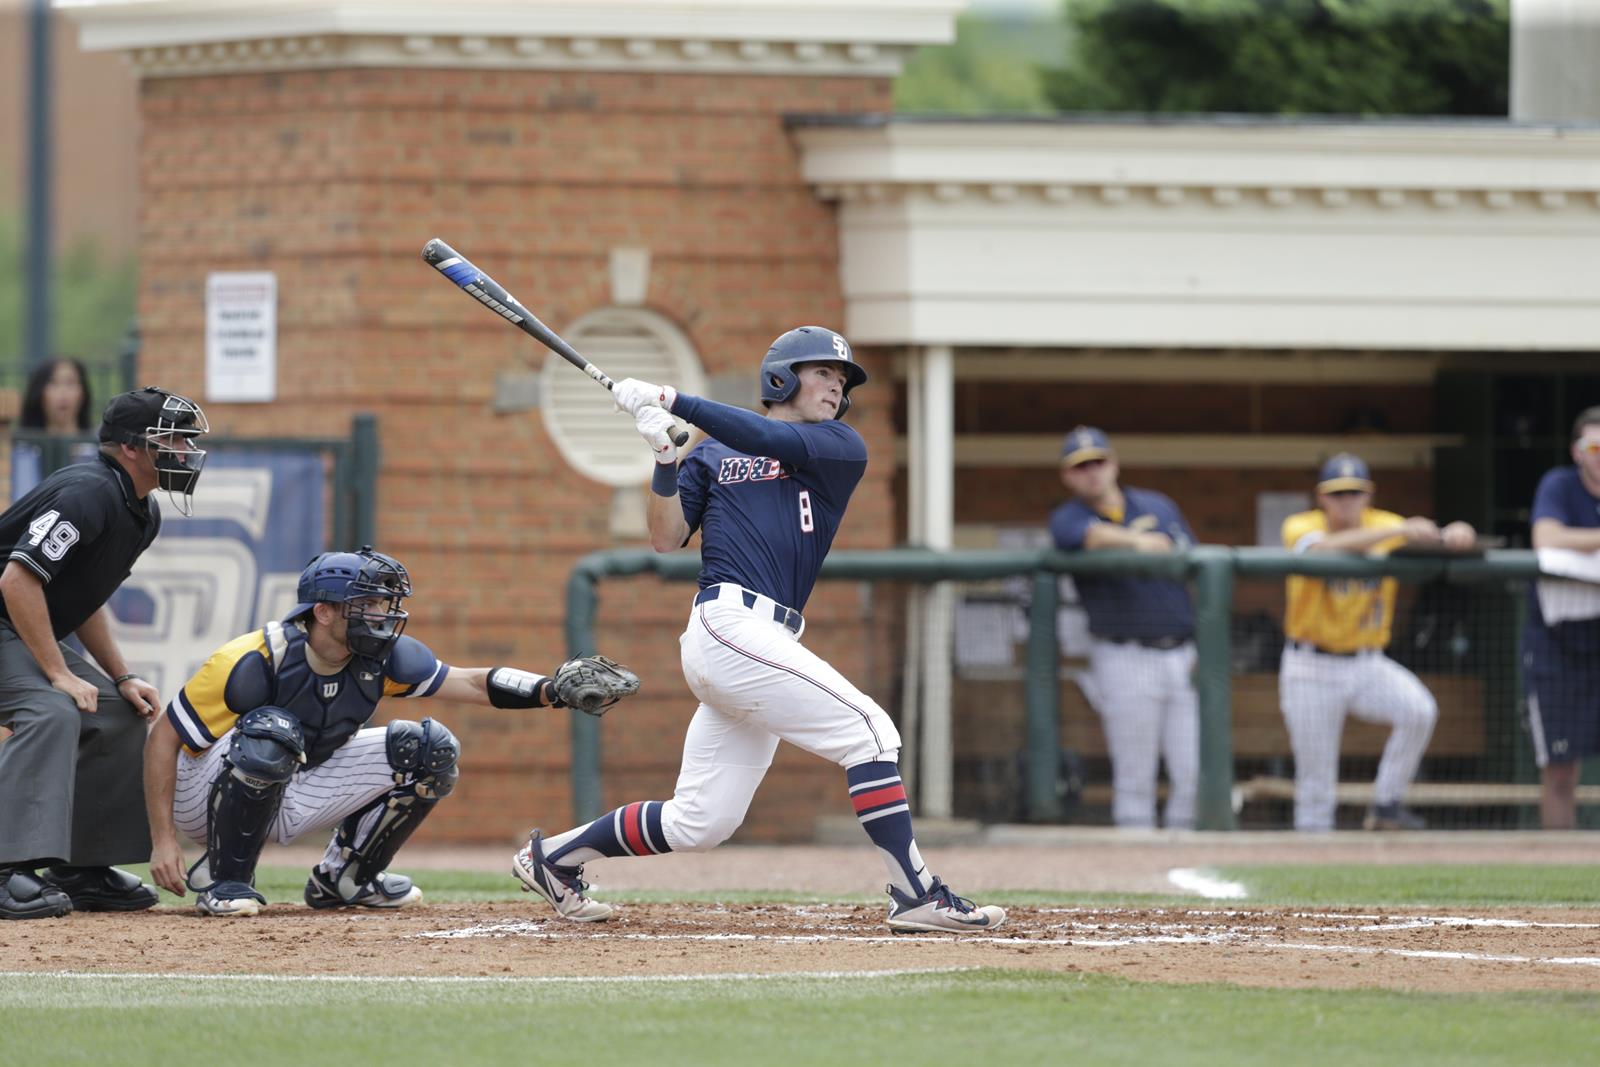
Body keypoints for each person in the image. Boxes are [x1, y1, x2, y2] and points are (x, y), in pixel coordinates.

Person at [511, 326, 1005, 934]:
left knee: (702, 822)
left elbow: (769, 436)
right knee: (871, 732)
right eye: (823, 372)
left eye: (841, 378)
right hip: (729, 624)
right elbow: (666, 537)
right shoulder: (713, 453)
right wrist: (666, 461)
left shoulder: (837, 446)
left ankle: (553, 859)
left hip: (766, 640)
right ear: (782, 376)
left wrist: (674, 400)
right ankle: (917, 893)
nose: (836, 386)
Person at [143, 546, 639, 917]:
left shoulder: (381, 658)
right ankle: (225, 880)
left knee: (429, 748)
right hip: (203, 795)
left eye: (384, 603)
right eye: (368, 604)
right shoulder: (253, 659)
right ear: (324, 611)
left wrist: (549, 690)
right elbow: (164, 737)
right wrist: (164, 840)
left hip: (297, 777)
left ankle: (347, 878)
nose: (383, 615)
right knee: (272, 732)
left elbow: (468, 681)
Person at [0, 386, 209, 920]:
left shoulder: (141, 510)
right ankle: (4, 866)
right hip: (7, 614)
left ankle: (81, 868)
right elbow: (19, 580)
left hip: (13, 626)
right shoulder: (88, 492)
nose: (185, 449)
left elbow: (81, 594)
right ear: (132, 448)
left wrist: (120, 675)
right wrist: (56, 673)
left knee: (118, 712)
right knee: (50, 709)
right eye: (172, 438)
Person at [1279, 453, 1476, 832]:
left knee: (1418, 711)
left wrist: (1457, 532)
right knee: (1316, 782)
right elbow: (1319, 549)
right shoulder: (1301, 524)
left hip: (1367, 662)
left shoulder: (1386, 523)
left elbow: (1436, 538)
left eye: (1355, 492)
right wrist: (1396, 532)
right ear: (1322, 497)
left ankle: (1386, 804)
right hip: (1310, 665)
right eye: (1338, 493)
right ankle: (1310, 867)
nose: (1347, 500)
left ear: (1368, 494)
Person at [1048, 426, 1198, 830]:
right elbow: (1085, 536)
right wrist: (1138, 541)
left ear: (1113, 463)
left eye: (1097, 462)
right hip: (1124, 654)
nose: (1091, 472)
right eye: (1081, 467)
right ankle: (1137, 876)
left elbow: (1188, 554)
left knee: (1192, 771)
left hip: (1181, 653)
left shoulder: (1157, 504)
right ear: (1068, 476)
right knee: (1136, 775)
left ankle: (1191, 866)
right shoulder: (1069, 516)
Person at [1524, 407, 1600, 830]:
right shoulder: (1559, 485)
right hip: (1558, 645)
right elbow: (1547, 537)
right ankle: (1561, 869)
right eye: (1594, 447)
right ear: (1577, 452)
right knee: (1560, 769)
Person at [12, 358, 98, 500]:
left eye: (70, 383)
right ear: (40, 392)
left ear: (82, 392)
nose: (63, 393)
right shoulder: (23, 451)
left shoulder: (96, 448)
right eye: (53, 383)